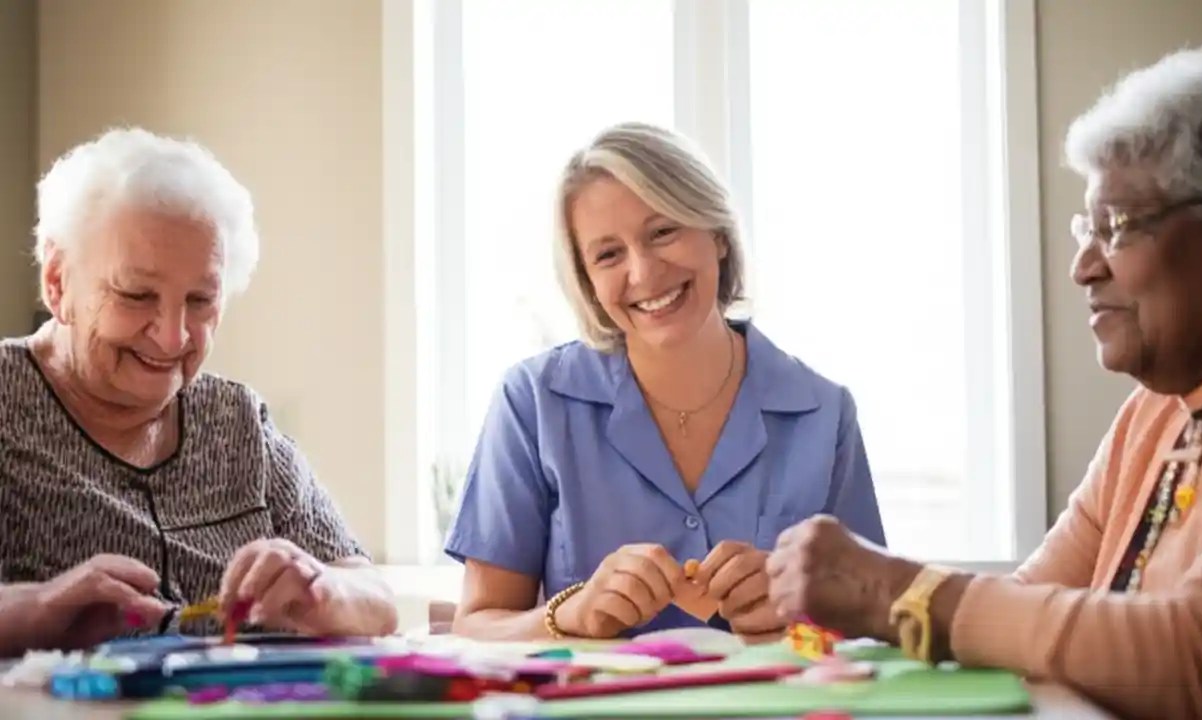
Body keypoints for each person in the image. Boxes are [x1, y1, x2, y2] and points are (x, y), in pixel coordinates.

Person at [765, 48, 1202, 720]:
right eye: (1085, 230)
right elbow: (1026, 610)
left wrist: (893, 590)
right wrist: (865, 601)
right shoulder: (1151, 414)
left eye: (1118, 227)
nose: (1083, 268)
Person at [446, 123, 885, 641]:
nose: (644, 271)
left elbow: (874, 623)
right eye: (608, 254)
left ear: (717, 234)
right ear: (588, 282)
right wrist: (571, 613)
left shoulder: (824, 413)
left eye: (663, 232)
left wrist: (798, 614)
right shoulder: (532, 402)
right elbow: (475, 627)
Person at [0, 128, 396, 657]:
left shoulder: (237, 421)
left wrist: (322, 591)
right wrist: (42, 608)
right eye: (136, 295)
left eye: (201, 300)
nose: (173, 336)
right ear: (57, 281)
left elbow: (374, 596)